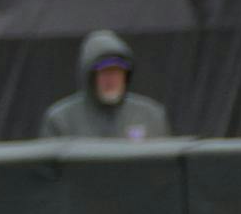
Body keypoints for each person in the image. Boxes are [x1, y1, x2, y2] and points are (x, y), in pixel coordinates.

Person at [38, 29, 173, 140]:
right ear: (90, 77)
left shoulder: (151, 115)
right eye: (104, 72)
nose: (111, 79)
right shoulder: (61, 120)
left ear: (126, 75)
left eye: (117, 72)